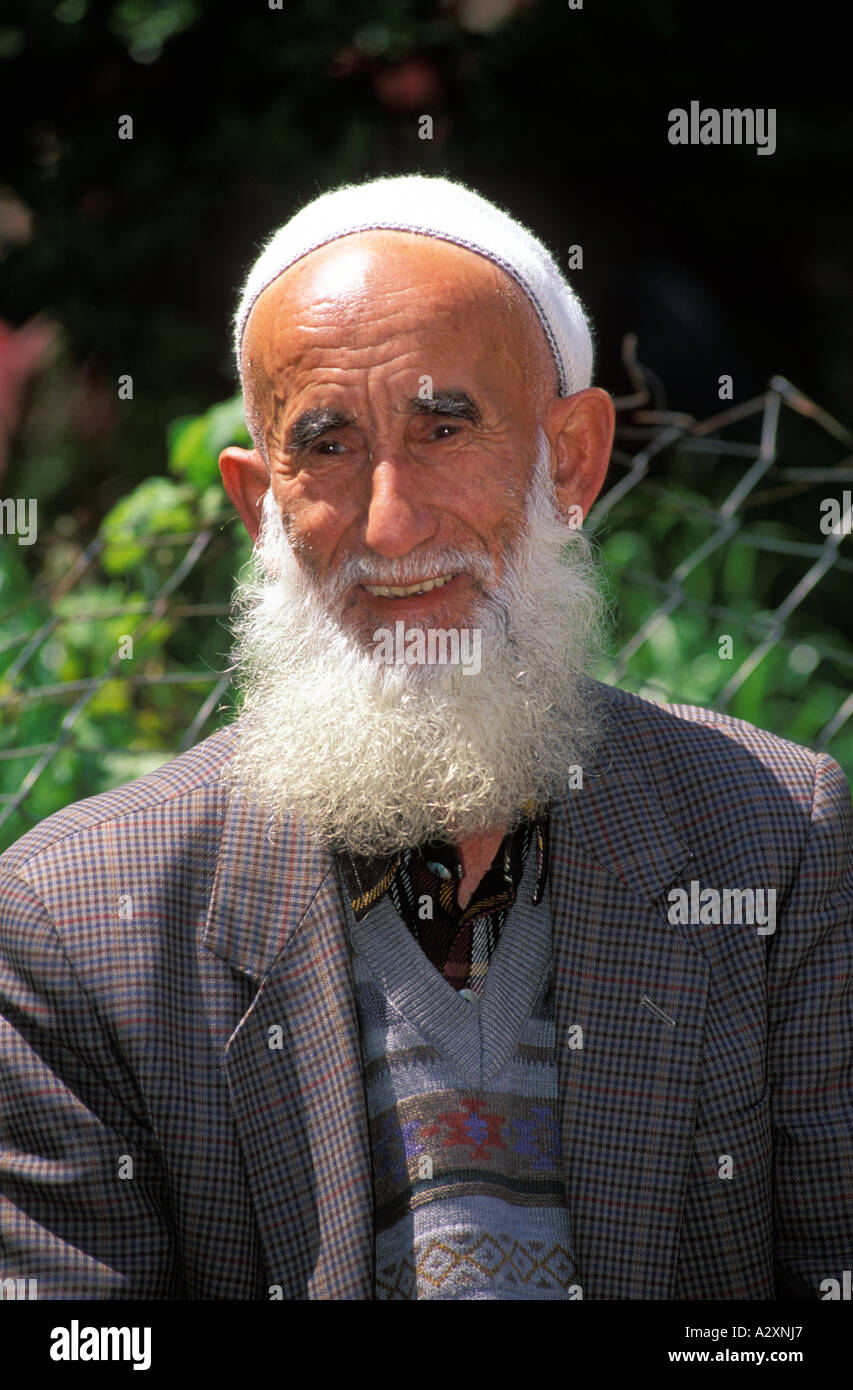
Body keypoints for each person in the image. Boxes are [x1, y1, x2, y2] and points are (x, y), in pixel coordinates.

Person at [0, 175, 850, 1301]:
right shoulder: (78, 921)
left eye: (443, 429)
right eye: (330, 446)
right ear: (261, 504)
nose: (390, 524)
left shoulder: (774, 839)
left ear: (574, 461)